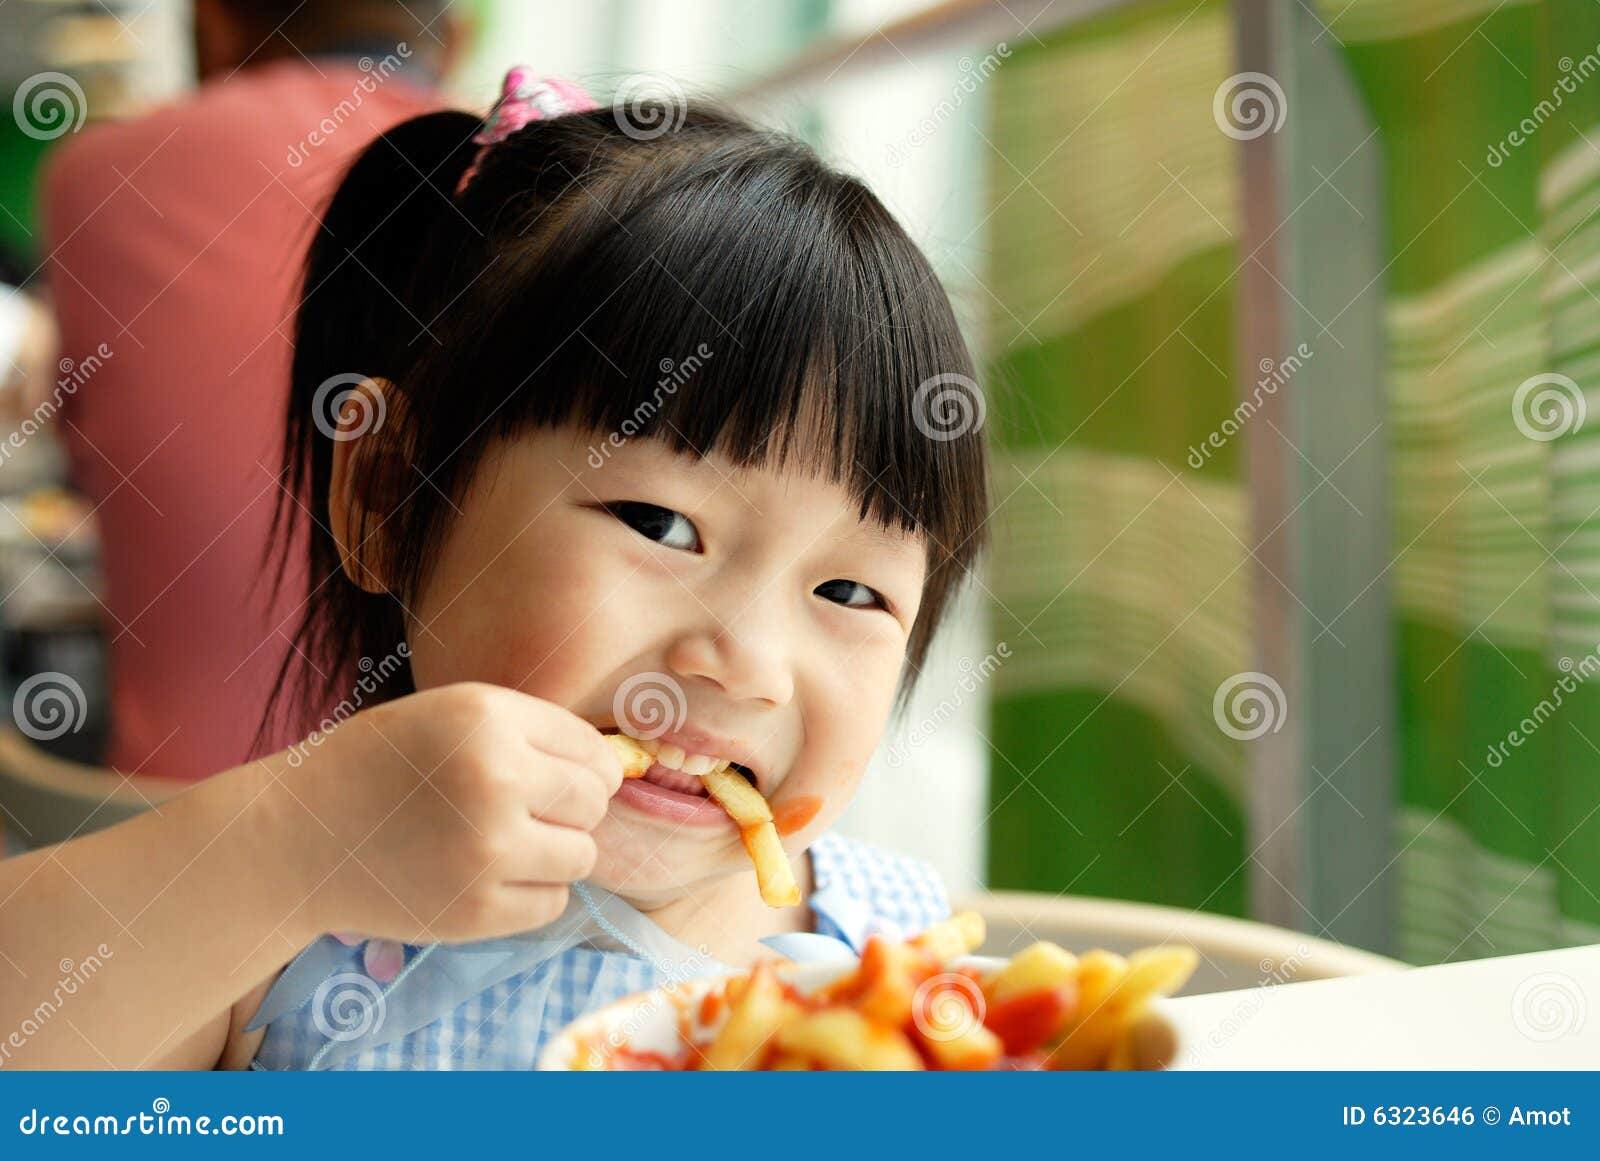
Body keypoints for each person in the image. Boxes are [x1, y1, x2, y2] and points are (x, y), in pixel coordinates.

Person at [0, 73, 989, 1070]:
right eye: (659, 523)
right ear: (386, 499)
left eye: (850, 593)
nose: (746, 666)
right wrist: (286, 850)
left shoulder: (890, 965)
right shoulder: (281, 931)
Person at [38, 0, 458, 781]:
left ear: (211, 23)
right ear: (453, 38)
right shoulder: (519, 175)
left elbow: (82, 454)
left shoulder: (93, 174)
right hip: (453, 829)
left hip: (162, 824)